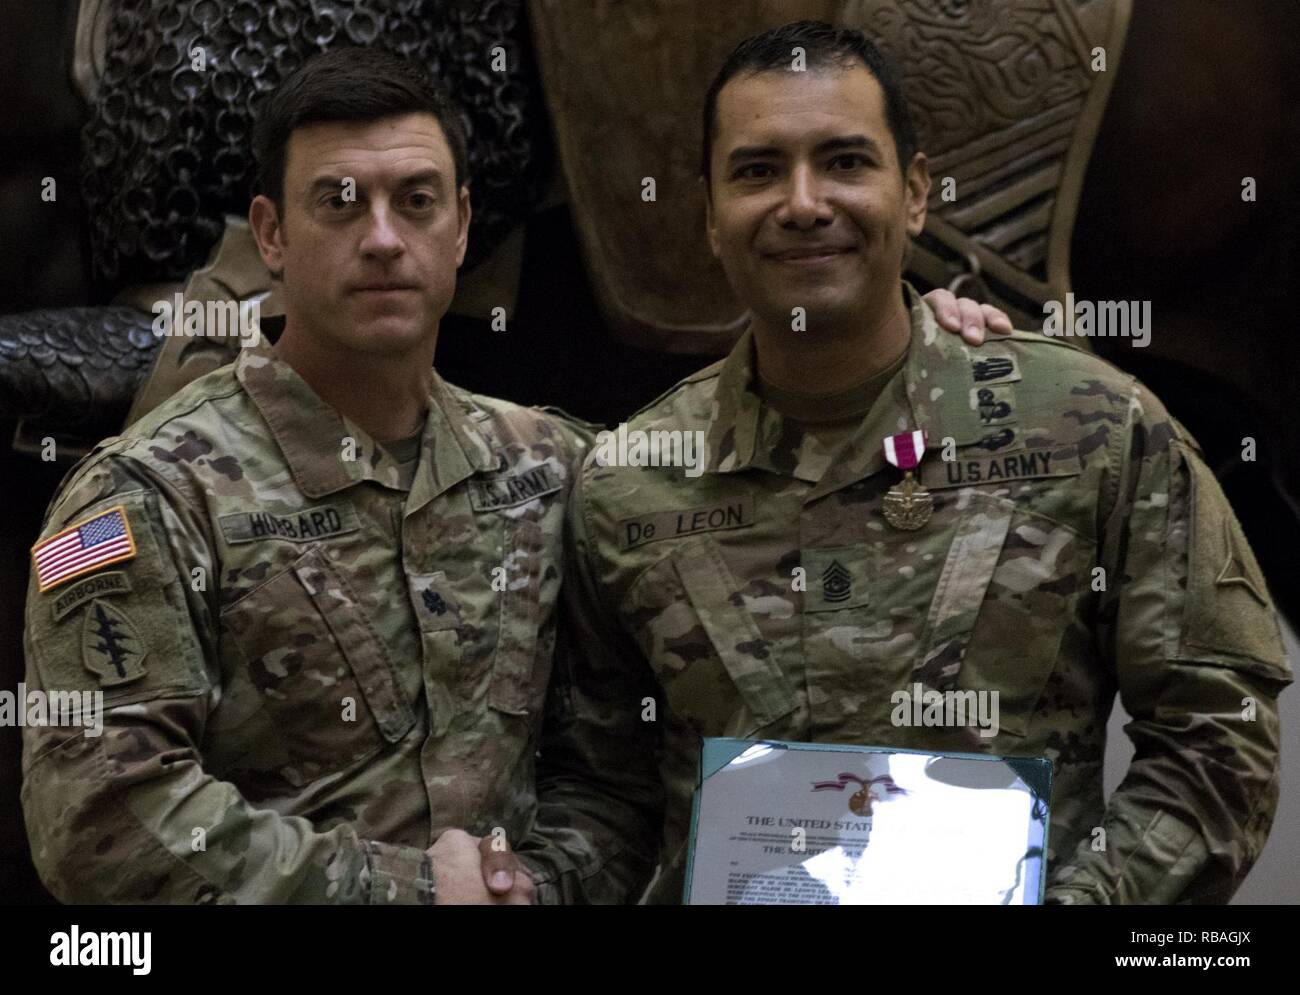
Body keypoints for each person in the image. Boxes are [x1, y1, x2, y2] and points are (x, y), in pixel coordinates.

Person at [20, 44, 1002, 905]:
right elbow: (105, 818)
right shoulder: (148, 496)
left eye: (416, 201)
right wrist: (408, 891)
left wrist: (911, 348)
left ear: (459, 229)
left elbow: (617, 757)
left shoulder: (551, 469)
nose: (381, 237)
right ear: (271, 235)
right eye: (338, 202)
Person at [564, 21, 1291, 904]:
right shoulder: (626, 483)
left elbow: (1217, 738)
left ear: (914, 193)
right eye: (757, 170)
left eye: (845, 162)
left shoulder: (1094, 428)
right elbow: (602, 795)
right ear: (709, 214)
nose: (803, 202)